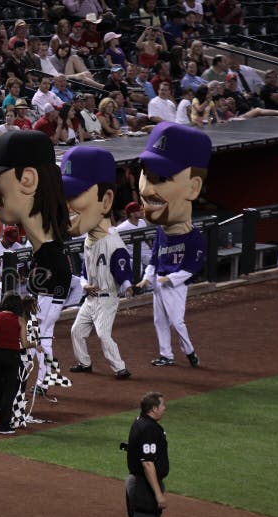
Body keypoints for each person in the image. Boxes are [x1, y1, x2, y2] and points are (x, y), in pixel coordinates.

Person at [0, 131, 73, 415]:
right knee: (36, 342)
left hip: (48, 284)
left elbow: (39, 329)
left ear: (27, 179)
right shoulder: (48, 250)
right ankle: (33, 391)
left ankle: (31, 395)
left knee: (35, 344)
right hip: (45, 280)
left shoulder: (51, 256)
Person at [135, 123, 210, 368]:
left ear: (193, 187)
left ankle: (190, 353)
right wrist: (148, 278)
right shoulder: (161, 231)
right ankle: (166, 355)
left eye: (163, 177)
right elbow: (155, 258)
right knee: (159, 320)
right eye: (147, 175)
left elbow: (192, 267)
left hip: (175, 286)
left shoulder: (193, 236)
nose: (148, 188)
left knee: (177, 321)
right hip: (160, 282)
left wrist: (167, 279)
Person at [60, 146, 133, 379]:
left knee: (103, 334)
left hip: (107, 299)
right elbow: (83, 272)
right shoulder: (88, 240)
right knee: (76, 330)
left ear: (107, 200)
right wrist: (83, 286)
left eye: (75, 197)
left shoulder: (114, 244)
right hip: (91, 298)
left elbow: (122, 270)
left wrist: (128, 286)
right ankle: (84, 362)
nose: (68, 206)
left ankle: (120, 368)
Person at [0, 291, 39, 434]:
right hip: (12, 356)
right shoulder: (20, 320)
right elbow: (24, 343)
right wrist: (35, 343)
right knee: (8, 391)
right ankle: (4, 426)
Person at [125, 391, 170, 517]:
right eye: (162, 405)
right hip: (144, 486)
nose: (164, 408)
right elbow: (147, 463)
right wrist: (158, 493)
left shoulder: (140, 421)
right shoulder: (149, 429)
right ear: (154, 408)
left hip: (139, 482)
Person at [117, 202, 153, 275]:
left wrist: (151, 248)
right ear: (131, 214)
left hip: (146, 250)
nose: (140, 212)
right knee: (153, 261)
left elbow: (147, 238)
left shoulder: (142, 222)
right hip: (133, 253)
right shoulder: (121, 228)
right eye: (138, 210)